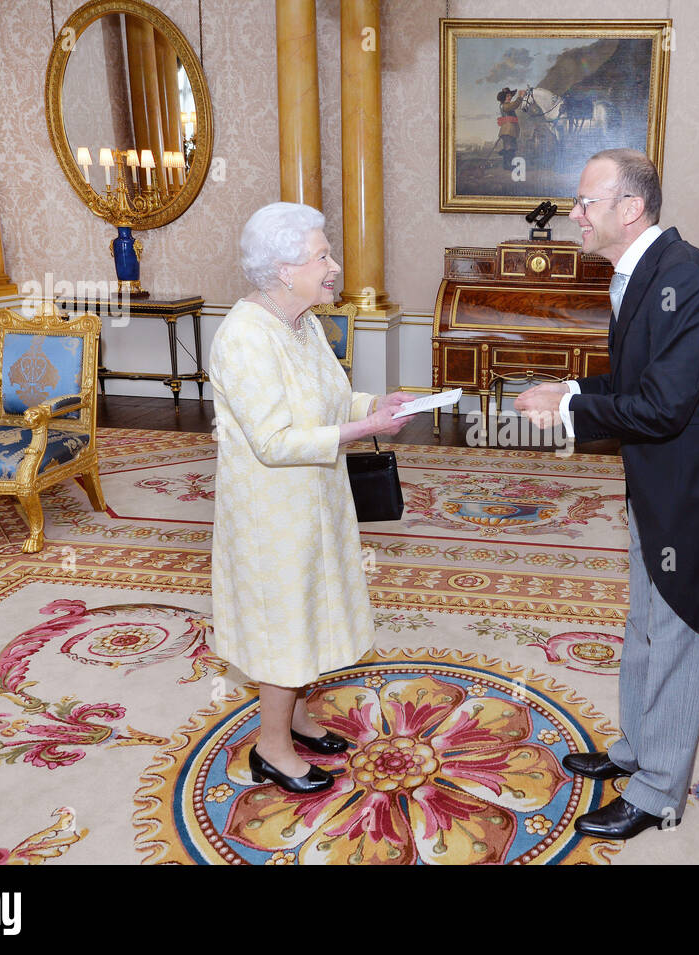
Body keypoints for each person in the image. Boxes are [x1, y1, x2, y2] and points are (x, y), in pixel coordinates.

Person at [516, 149, 699, 840]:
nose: (575, 212)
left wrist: (570, 414)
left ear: (630, 209)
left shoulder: (685, 280)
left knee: (679, 630)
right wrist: (570, 390)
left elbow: (661, 407)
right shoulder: (645, 272)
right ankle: (637, 750)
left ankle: (658, 791)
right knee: (645, 622)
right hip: (656, 483)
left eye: (587, 201)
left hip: (692, 493)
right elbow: (634, 385)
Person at [208, 202, 413, 793]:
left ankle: (293, 719)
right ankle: (270, 749)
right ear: (281, 269)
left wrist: (374, 407)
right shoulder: (246, 336)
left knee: (308, 608)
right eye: (322, 255)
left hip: (315, 497)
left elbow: (330, 400)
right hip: (271, 509)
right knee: (282, 624)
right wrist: (359, 432)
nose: (335, 266)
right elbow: (272, 442)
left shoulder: (303, 323)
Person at [495, 87, 525, 170]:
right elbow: (514, 105)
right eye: (507, 96)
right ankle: (509, 165)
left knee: (509, 148)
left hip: (509, 130)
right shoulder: (505, 106)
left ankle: (507, 165)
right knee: (510, 148)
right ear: (503, 98)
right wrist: (520, 97)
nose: (509, 97)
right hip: (508, 130)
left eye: (510, 96)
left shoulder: (505, 105)